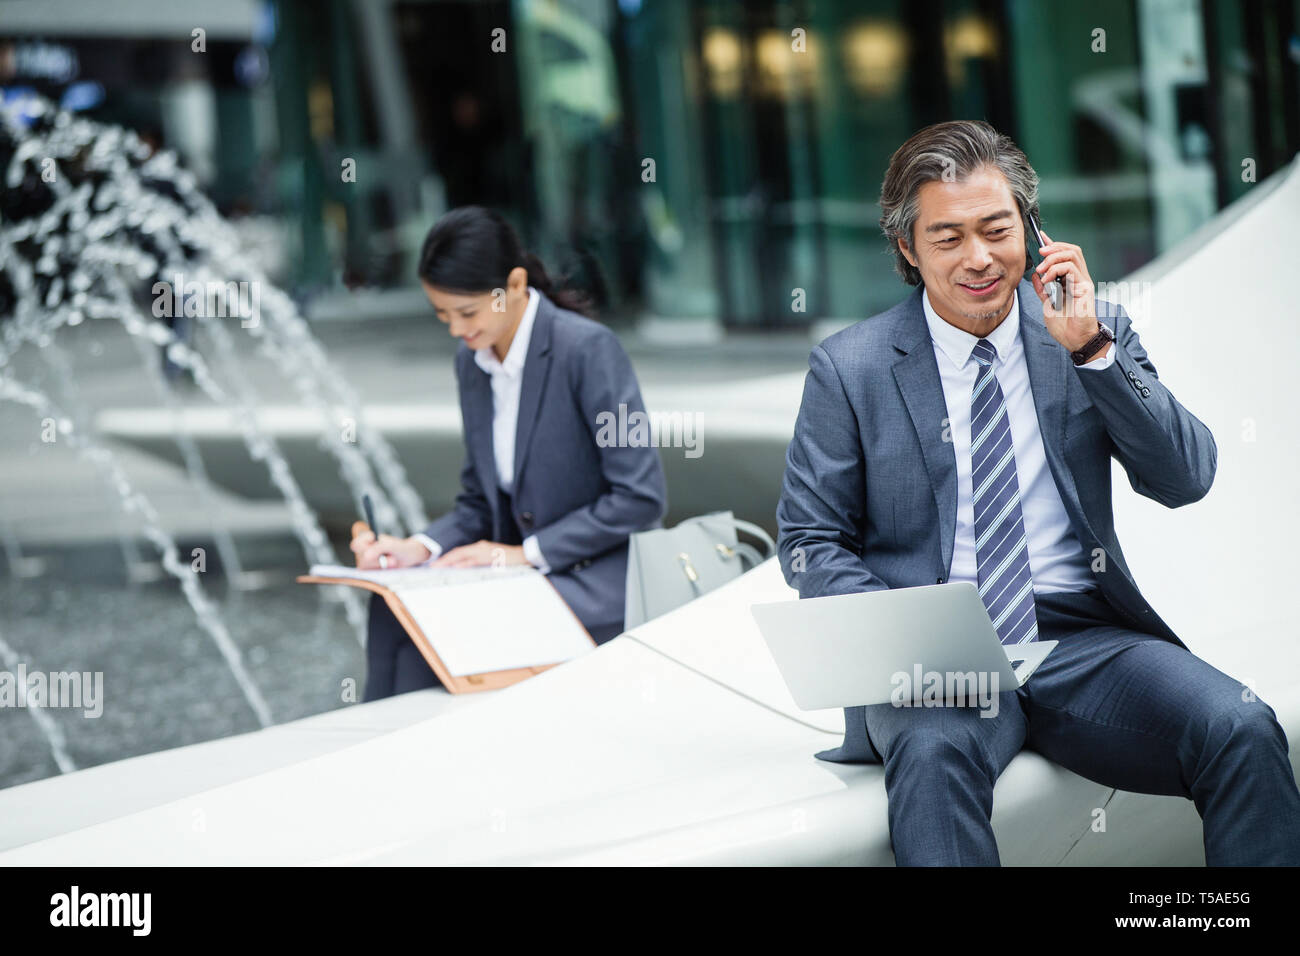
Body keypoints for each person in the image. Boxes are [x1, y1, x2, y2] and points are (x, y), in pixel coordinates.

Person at [776, 119, 1300, 865]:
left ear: (1032, 227)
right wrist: (903, 629)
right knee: (930, 760)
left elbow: (1186, 478)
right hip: (933, 658)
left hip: (1077, 638)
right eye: (948, 237)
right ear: (907, 248)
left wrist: (1091, 352)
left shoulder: (1090, 332)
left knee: (1241, 727)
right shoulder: (850, 369)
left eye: (997, 228)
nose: (980, 258)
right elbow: (809, 540)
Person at [353, 206, 667, 700]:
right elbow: (480, 500)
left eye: (467, 313)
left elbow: (640, 497)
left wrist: (524, 555)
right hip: (517, 577)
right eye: (443, 315)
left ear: (515, 285)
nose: (456, 330)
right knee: (395, 609)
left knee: (450, 629)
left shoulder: (588, 350)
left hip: (594, 580)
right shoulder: (473, 361)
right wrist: (419, 548)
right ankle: (377, 756)